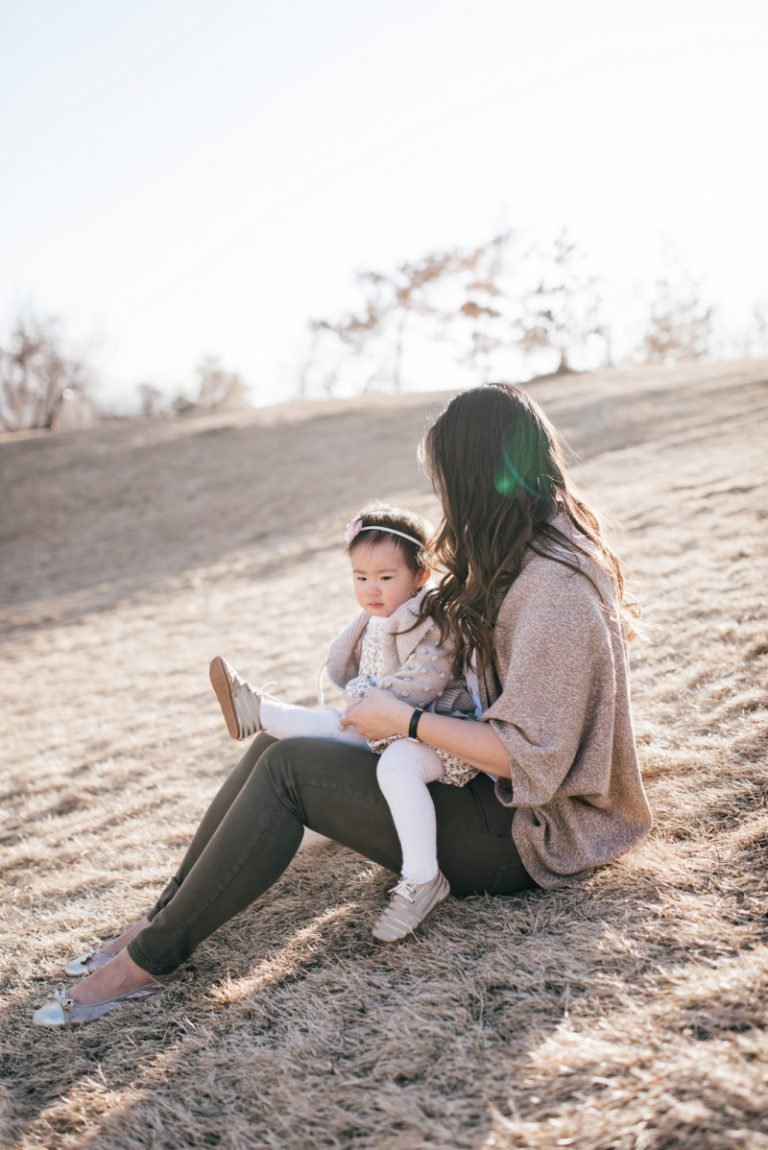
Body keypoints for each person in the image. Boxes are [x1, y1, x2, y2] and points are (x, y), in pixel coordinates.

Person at [34, 382, 652, 1027]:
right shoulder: (515, 553)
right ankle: (161, 917)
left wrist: (406, 720)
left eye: (445, 478)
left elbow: (533, 758)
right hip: (479, 788)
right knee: (279, 743)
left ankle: (147, 962)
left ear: (477, 476)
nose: (444, 496)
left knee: (290, 768)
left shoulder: (552, 587)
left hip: (527, 834)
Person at [207, 501, 479, 942]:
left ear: (421, 576)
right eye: (361, 578)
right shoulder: (379, 618)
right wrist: (362, 696)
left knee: (393, 762)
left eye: (386, 578)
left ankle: (423, 878)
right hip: (384, 723)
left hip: (436, 734)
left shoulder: (434, 621)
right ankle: (257, 712)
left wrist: (363, 702)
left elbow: (419, 686)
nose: (372, 589)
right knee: (331, 730)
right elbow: (347, 666)